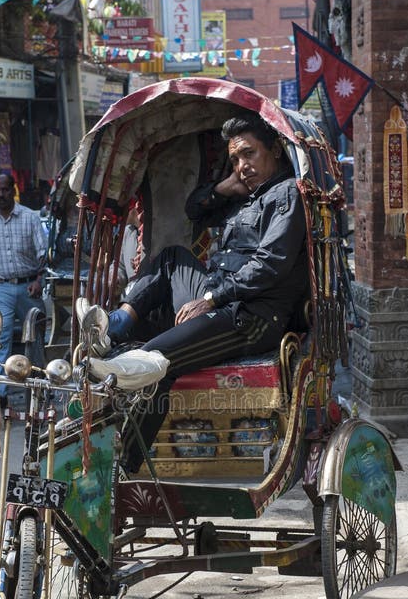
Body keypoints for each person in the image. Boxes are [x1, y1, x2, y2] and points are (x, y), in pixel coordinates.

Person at [106, 113, 309, 474]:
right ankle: (115, 324)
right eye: (235, 160)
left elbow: (269, 265)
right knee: (172, 258)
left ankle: (125, 466)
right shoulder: (245, 197)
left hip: (253, 315)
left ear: (275, 150)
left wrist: (212, 300)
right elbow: (193, 209)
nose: (242, 166)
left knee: (155, 362)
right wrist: (225, 187)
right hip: (220, 297)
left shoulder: (287, 194)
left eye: (249, 154)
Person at [0, 173, 47, 408]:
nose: (1, 195)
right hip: (2, 289)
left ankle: (40, 389)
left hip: (29, 288)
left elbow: (44, 255)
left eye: (5, 190)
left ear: (13, 189)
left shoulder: (29, 218)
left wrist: (39, 280)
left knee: (36, 339)